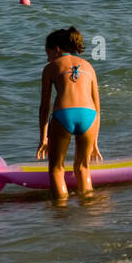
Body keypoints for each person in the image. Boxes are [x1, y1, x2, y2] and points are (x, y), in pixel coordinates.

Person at [37, 27, 101, 199]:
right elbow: (97, 107)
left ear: (56, 49)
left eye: (48, 52)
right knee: (82, 167)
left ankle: (61, 210)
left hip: (64, 115)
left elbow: (45, 107)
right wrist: (94, 141)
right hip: (90, 117)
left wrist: (43, 138)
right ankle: (89, 205)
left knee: (56, 169)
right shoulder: (89, 66)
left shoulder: (50, 67)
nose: (47, 57)